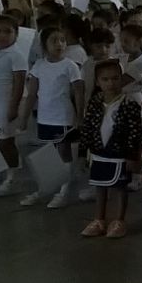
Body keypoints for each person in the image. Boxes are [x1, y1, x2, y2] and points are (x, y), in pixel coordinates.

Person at [17, 26, 85, 208]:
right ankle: (47, 187)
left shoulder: (70, 66)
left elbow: (79, 92)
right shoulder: (39, 66)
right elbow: (32, 94)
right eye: (54, 40)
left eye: (62, 40)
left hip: (62, 116)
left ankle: (63, 191)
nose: (60, 44)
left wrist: (80, 116)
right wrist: (24, 118)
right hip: (44, 117)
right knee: (49, 154)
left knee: (64, 153)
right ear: (44, 45)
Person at [80, 60, 142, 238]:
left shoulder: (129, 104)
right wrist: (82, 152)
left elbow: (135, 132)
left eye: (115, 78)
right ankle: (99, 219)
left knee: (120, 187)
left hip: (120, 154)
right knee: (100, 186)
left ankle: (119, 220)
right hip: (98, 153)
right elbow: (87, 128)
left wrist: (133, 157)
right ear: (98, 81)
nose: (110, 83)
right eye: (105, 79)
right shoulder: (94, 103)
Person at [0, 14, 29, 197]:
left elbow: (19, 82)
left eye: (8, 31)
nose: (2, 35)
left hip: (5, 102)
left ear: (16, 34)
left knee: (6, 141)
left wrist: (13, 106)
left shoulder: (16, 55)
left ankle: (12, 178)